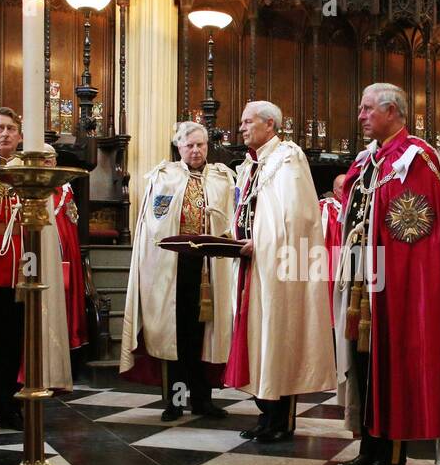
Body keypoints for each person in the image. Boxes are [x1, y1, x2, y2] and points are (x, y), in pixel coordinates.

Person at [333, 84, 440, 465]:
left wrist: (400, 283)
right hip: (365, 279)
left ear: (392, 111)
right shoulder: (372, 158)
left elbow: (415, 230)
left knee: (392, 364)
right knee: (364, 364)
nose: (361, 116)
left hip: (398, 285)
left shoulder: (417, 157)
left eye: (367, 109)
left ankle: (392, 455)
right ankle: (369, 445)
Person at [0, 107, 71, 435]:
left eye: (11, 129)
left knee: (13, 341)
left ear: (20, 136)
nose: (5, 134)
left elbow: (44, 226)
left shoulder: (31, 173)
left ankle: (7, 405)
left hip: (23, 267)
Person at [225, 101, 335, 442]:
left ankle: (282, 420)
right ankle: (265, 413)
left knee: (279, 334)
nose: (241, 127)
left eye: (248, 121)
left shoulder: (288, 158)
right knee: (258, 336)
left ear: (269, 124)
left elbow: (298, 216)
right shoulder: (252, 164)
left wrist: (262, 243)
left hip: (279, 266)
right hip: (250, 265)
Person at [121, 122, 236, 420]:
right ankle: (175, 400)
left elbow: (230, 224)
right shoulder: (163, 178)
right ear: (179, 148)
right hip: (172, 268)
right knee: (176, 336)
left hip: (211, 269)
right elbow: (152, 225)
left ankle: (203, 400)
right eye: (189, 146)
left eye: (201, 145)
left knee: (204, 336)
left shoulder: (222, 179)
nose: (196, 150)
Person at [44, 144, 89, 351]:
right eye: (42, 158)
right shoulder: (24, 186)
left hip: (60, 257)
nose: (46, 162)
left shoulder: (64, 189)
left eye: (50, 158)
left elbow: (68, 228)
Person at [318, 173, 346, 315]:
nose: (346, 190)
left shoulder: (359, 207)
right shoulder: (325, 207)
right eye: (342, 187)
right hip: (331, 257)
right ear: (335, 191)